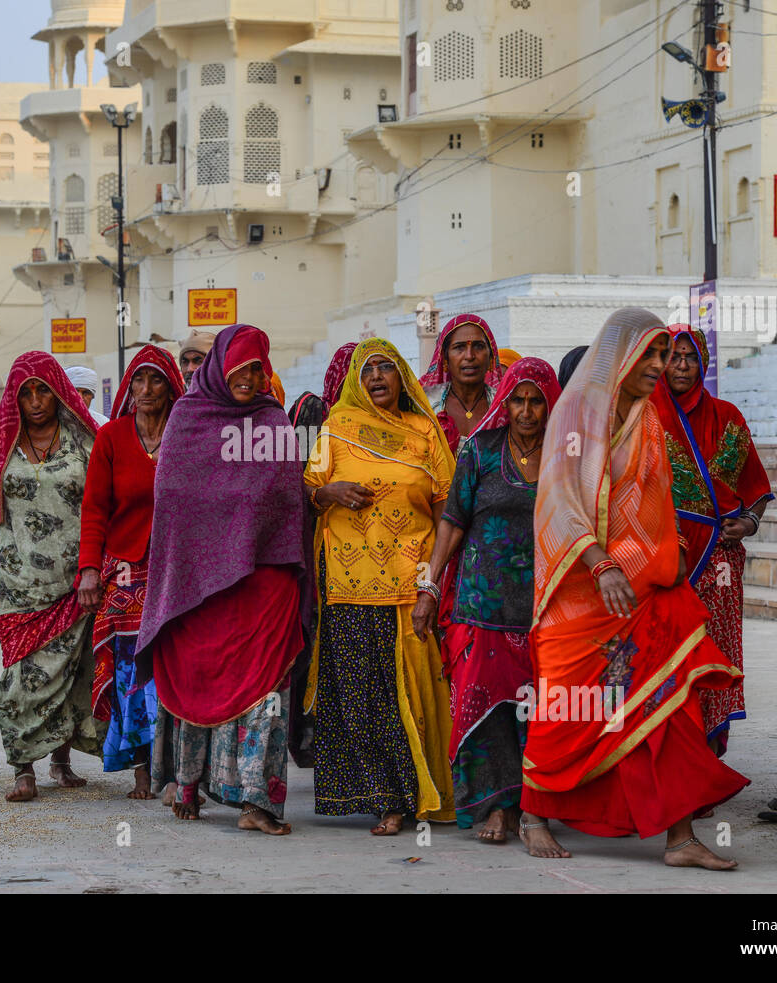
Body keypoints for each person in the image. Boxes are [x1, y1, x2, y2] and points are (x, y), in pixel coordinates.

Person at [521, 307, 748, 870]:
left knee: (670, 704)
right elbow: (558, 499)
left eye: (664, 353)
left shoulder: (647, 418)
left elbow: (654, 501)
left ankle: (680, 837)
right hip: (580, 594)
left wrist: (662, 555)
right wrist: (600, 563)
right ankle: (532, 815)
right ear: (619, 353)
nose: (661, 364)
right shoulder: (576, 414)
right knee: (567, 711)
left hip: (645, 589)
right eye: (649, 352)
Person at [138, 324, 307, 836]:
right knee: (198, 681)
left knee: (267, 696)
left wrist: (242, 526)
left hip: (264, 584)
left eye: (259, 367)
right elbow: (173, 501)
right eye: (242, 365)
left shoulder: (274, 421)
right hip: (199, 586)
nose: (251, 377)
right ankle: (188, 783)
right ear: (220, 365)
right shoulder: (188, 419)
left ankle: (259, 803)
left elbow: (286, 503)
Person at [413, 357, 569, 854]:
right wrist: (429, 586)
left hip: (545, 605)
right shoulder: (479, 451)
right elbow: (453, 522)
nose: (526, 411)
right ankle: (494, 806)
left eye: (536, 402)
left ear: (550, 406)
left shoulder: (565, 456)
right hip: (482, 604)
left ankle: (532, 807)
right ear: (506, 402)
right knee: (485, 707)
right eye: (518, 400)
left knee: (539, 711)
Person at [304, 338, 456, 835]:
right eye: (367, 370)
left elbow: (446, 509)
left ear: (403, 378)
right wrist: (327, 491)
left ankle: (419, 793)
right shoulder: (336, 429)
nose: (377, 378)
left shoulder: (423, 432)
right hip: (349, 585)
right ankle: (385, 799)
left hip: (410, 585)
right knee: (358, 696)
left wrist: (432, 581)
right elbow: (306, 490)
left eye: (386, 369)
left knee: (406, 696)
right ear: (354, 380)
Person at [0, 351, 106, 802]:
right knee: (22, 674)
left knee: (77, 670)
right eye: (26, 393)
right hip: (19, 586)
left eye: (43, 391)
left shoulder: (86, 443)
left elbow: (107, 502)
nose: (36, 400)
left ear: (59, 394)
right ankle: (23, 765)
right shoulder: (2, 448)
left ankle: (61, 758)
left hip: (80, 581)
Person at [653, 326, 773, 755]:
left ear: (702, 362)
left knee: (714, 654)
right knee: (669, 658)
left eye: (690, 357)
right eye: (673, 356)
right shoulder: (644, 417)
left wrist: (749, 524)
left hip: (719, 562)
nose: (681, 365)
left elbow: (756, 490)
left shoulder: (729, 417)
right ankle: (673, 759)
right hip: (665, 559)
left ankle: (708, 753)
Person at [76, 345, 186, 796]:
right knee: (132, 671)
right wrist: (87, 570)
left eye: (156, 380)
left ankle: (177, 762)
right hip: (125, 572)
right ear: (127, 387)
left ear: (171, 387)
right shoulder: (112, 439)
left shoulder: (186, 434)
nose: (145, 390)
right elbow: (94, 508)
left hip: (177, 567)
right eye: (137, 381)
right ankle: (143, 762)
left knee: (174, 664)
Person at [280, 341, 358, 768]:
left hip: (367, 552)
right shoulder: (313, 413)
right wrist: (321, 494)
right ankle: (306, 738)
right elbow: (288, 479)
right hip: (313, 544)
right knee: (310, 638)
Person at [420, 313, 503, 455]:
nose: (469, 356)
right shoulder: (425, 404)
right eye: (459, 347)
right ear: (445, 359)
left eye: (478, 346)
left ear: (491, 357)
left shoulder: (503, 404)